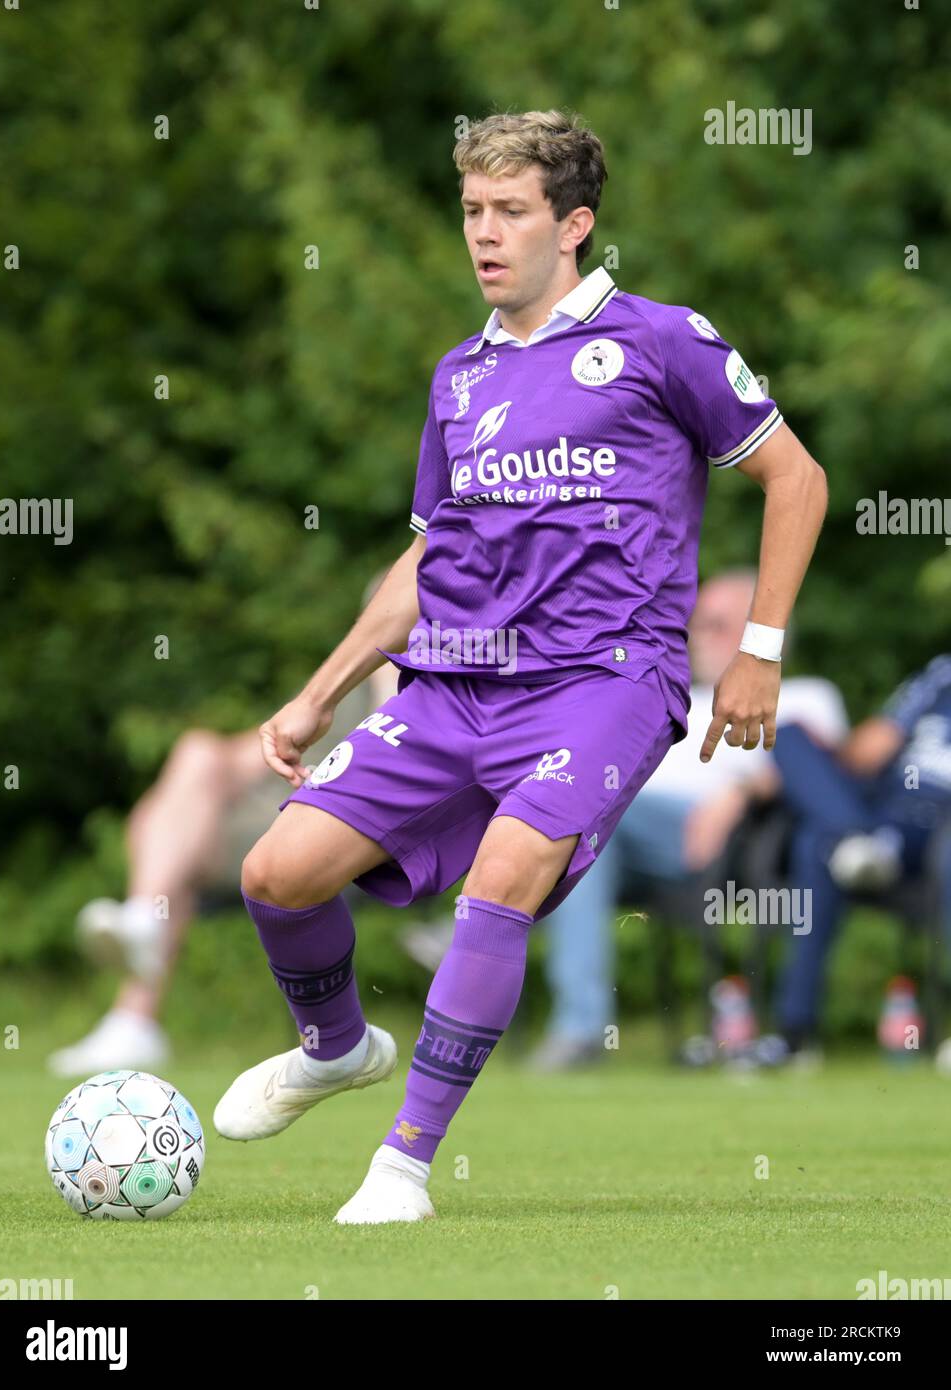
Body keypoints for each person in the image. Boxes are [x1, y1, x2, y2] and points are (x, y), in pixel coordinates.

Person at [212, 108, 828, 1225]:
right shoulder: (459, 378)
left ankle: (402, 1167)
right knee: (275, 874)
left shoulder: (661, 341)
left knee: (506, 868)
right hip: (457, 682)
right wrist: (316, 692)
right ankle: (337, 1047)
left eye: (509, 212)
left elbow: (798, 479)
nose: (484, 234)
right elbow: (425, 556)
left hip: (607, 679)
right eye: (471, 211)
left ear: (574, 224)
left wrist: (760, 651)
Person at [47, 585, 398, 1078]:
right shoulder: (342, 691)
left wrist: (393, 675)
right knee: (195, 757)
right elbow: (254, 750)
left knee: (160, 834)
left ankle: (135, 1004)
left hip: (337, 826)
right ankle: (143, 934)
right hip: (269, 814)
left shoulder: (425, 696)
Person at [525, 568, 848, 1071]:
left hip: (740, 839)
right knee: (575, 825)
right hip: (630, 839)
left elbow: (825, 776)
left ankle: (484, 921)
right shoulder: (669, 693)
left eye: (716, 624)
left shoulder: (807, 694)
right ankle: (581, 1029)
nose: (697, 636)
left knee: (579, 813)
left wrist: (739, 791)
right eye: (696, 623)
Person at [763, 655, 951, 1062]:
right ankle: (795, 1037)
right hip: (880, 807)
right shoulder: (943, 674)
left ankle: (859, 840)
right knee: (787, 734)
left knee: (818, 841)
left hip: (937, 827)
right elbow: (869, 750)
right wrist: (829, 755)